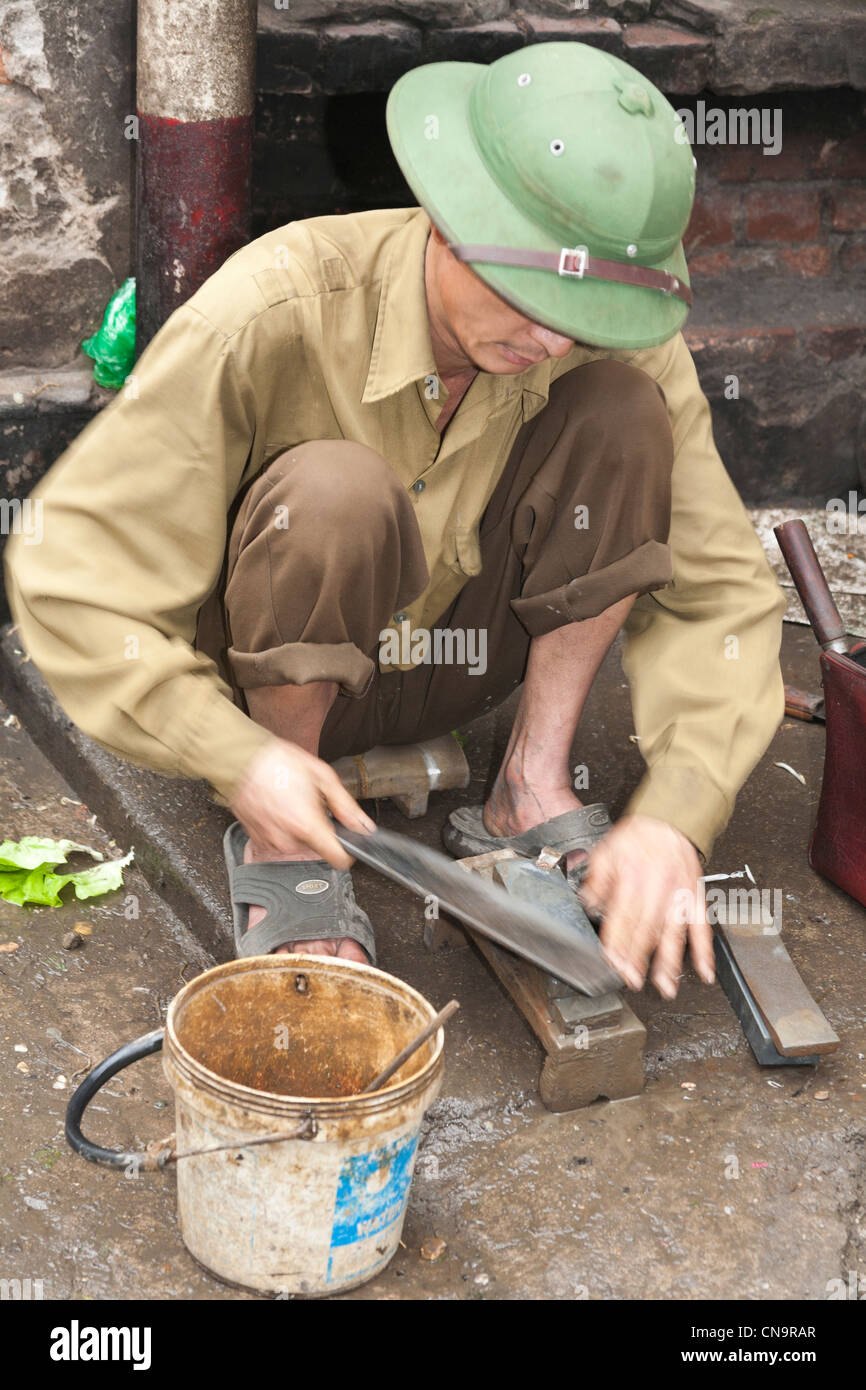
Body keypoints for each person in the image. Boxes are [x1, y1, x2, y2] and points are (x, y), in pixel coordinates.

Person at [5, 41, 785, 999]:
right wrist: (235, 757)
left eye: (580, 316)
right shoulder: (274, 306)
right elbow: (66, 573)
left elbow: (723, 598)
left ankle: (527, 789)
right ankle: (284, 839)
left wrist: (677, 814)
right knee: (336, 491)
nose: (550, 340)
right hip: (266, 686)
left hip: (458, 668)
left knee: (626, 411)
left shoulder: (600, 346)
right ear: (448, 223)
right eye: (531, 299)